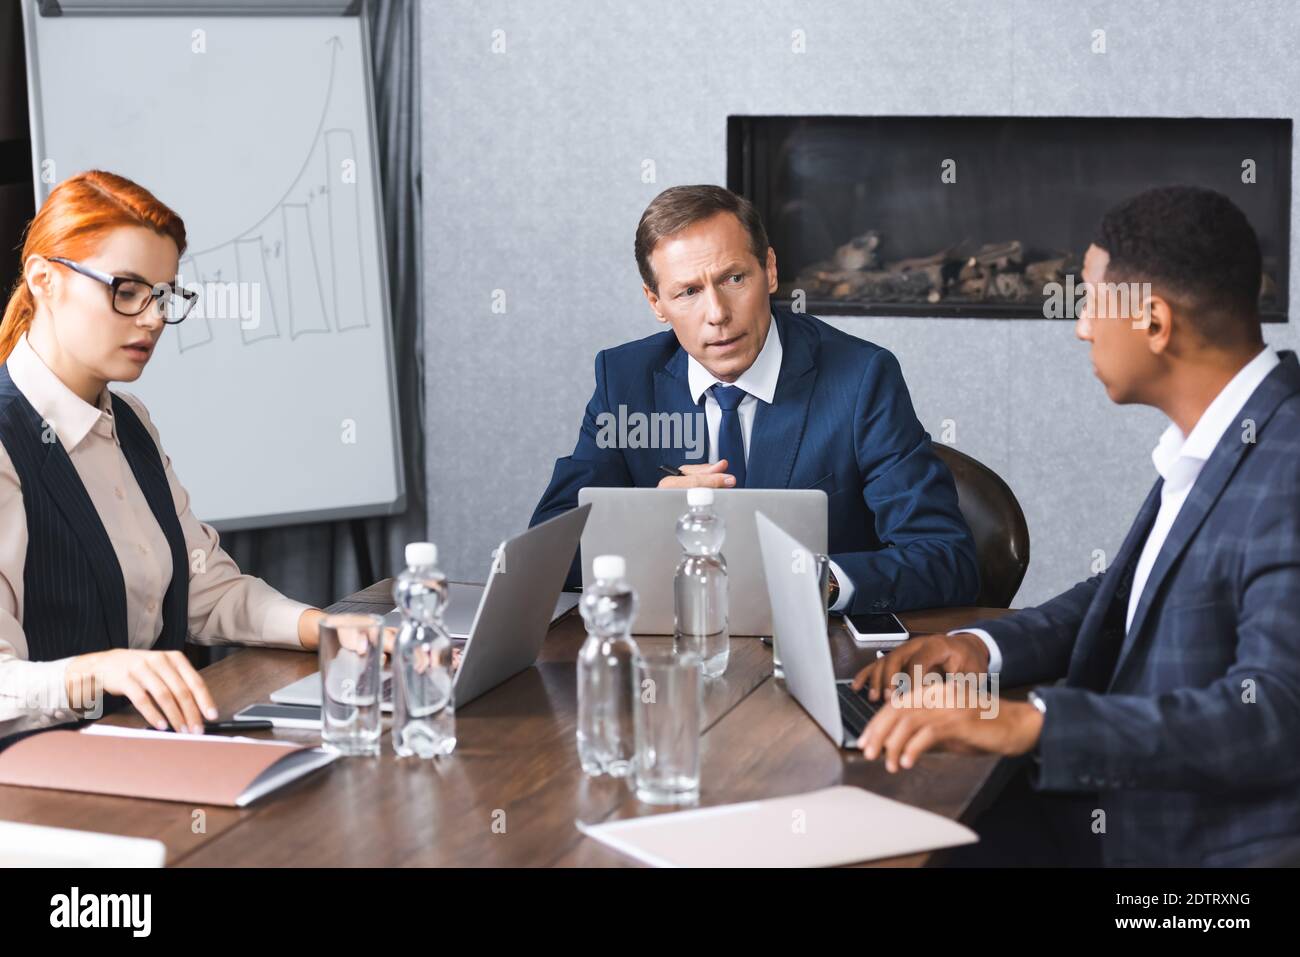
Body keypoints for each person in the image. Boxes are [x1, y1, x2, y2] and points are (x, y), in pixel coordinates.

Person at [853, 186, 1300, 867]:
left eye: (1090, 301)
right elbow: (1127, 593)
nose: (1082, 326)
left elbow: (1273, 715)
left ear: (1153, 322)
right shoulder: (1228, 439)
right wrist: (980, 649)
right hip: (1112, 809)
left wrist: (1033, 722)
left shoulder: (1288, 464)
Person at [530, 185, 978, 614]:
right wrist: (651, 519)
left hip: (809, 653)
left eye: (734, 278)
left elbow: (945, 558)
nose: (718, 314)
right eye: (688, 292)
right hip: (670, 652)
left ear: (770, 270)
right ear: (656, 302)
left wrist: (819, 580)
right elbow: (547, 551)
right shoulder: (624, 379)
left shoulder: (862, 379)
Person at [0, 170, 327, 740]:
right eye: (126, 291)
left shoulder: (131, 421)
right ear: (44, 279)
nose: (153, 318)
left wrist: (328, 629)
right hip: (39, 792)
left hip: (144, 759)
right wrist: (100, 672)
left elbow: (208, 589)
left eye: (163, 294)